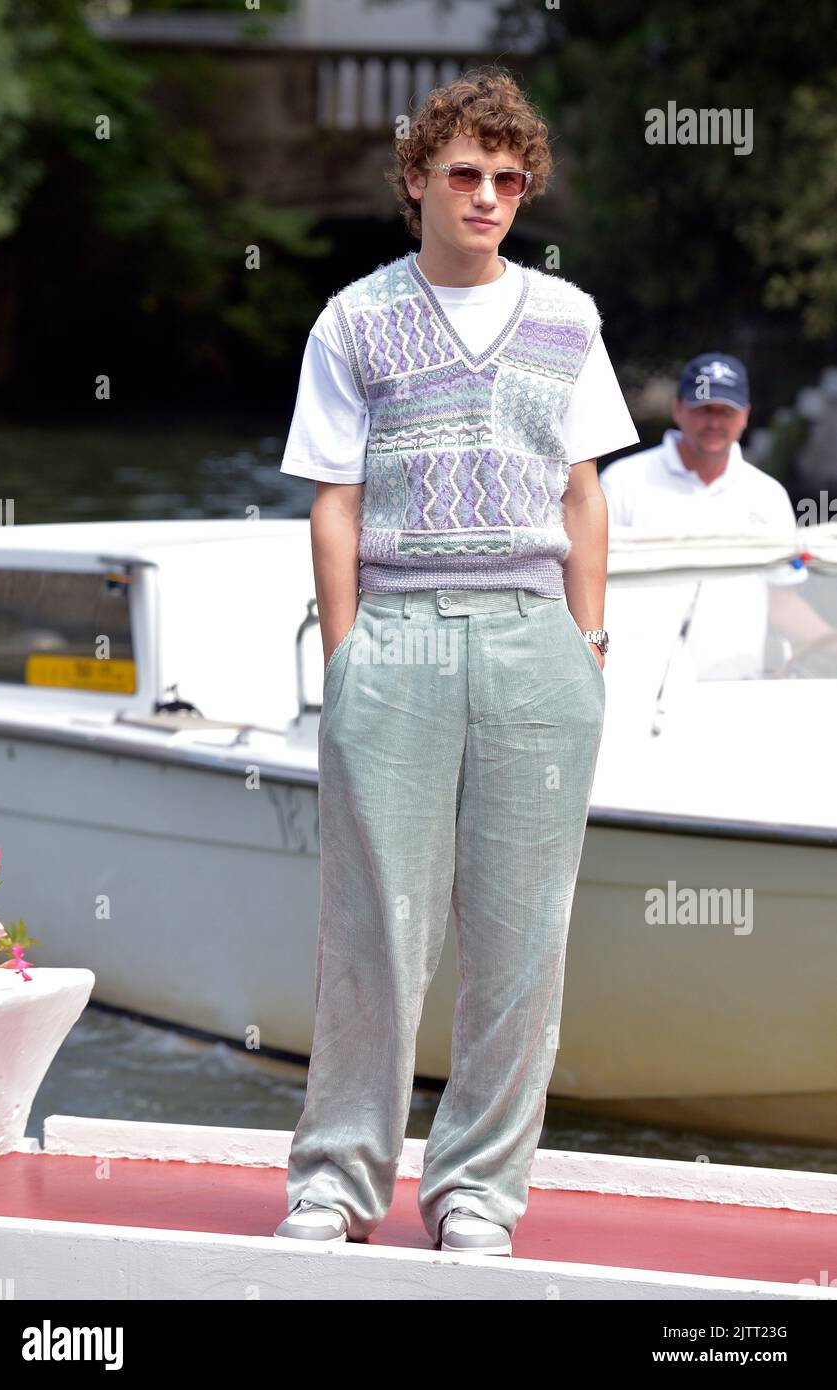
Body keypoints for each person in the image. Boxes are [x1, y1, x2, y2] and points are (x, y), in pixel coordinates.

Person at [273, 67, 638, 1257]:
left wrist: (586, 647)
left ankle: (477, 1193)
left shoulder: (568, 318)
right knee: (373, 930)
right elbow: (335, 501)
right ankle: (333, 1182)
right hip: (400, 636)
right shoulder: (352, 318)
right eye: (465, 175)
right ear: (418, 180)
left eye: (507, 178)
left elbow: (584, 497)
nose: (489, 196)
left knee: (522, 939)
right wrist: (348, 653)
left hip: (537, 641)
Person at [599, 355, 835, 680]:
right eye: (703, 409)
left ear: (745, 416)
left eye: (725, 411)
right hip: (638, 684)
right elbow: (593, 586)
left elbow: (781, 600)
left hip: (736, 687)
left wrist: (829, 645)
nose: (714, 422)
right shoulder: (622, 481)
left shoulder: (767, 495)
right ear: (678, 409)